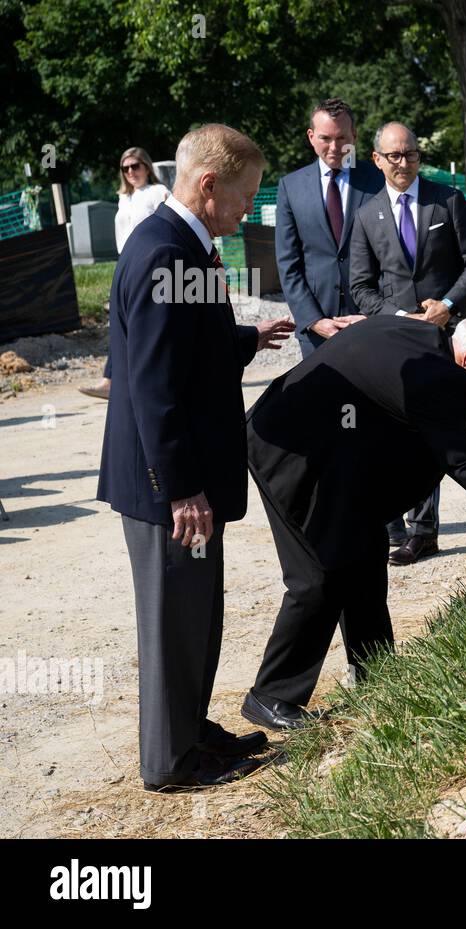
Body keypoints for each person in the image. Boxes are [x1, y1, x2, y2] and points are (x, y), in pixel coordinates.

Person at [240, 314, 466, 731]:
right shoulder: (439, 379)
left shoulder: (430, 340)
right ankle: (271, 696)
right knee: (320, 574)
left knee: (365, 556)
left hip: (335, 456)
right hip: (290, 451)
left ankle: (376, 675)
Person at [96, 124, 296, 791]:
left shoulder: (185, 243)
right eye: (244, 197)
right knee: (173, 619)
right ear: (209, 185)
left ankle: (191, 729)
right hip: (166, 486)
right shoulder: (163, 254)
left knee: (196, 614)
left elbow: (190, 345)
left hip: (184, 479)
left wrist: (247, 337)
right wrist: (181, 488)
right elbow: (154, 388)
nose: (249, 211)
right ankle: (171, 760)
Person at [350, 120, 466, 567]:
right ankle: (423, 532)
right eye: (395, 155)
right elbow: (361, 287)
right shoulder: (366, 216)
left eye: (412, 154)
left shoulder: (448, 200)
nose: (404, 163)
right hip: (405, 345)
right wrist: (403, 318)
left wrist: (450, 304)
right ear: (377, 160)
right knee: (415, 436)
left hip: (460, 338)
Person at [275, 98, 386, 358]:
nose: (335, 147)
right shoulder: (290, 187)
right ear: (311, 137)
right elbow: (288, 263)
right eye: (325, 138)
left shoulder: (380, 181)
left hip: (373, 322)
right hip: (318, 331)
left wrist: (375, 313)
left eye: (342, 138)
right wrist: (313, 320)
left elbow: (392, 255)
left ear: (355, 136)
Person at [79, 147, 170, 401]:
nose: (131, 172)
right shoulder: (123, 198)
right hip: (125, 265)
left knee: (148, 323)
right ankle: (113, 380)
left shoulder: (158, 193)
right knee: (121, 322)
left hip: (150, 264)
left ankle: (127, 380)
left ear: (146, 167)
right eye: (125, 168)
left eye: (135, 166)